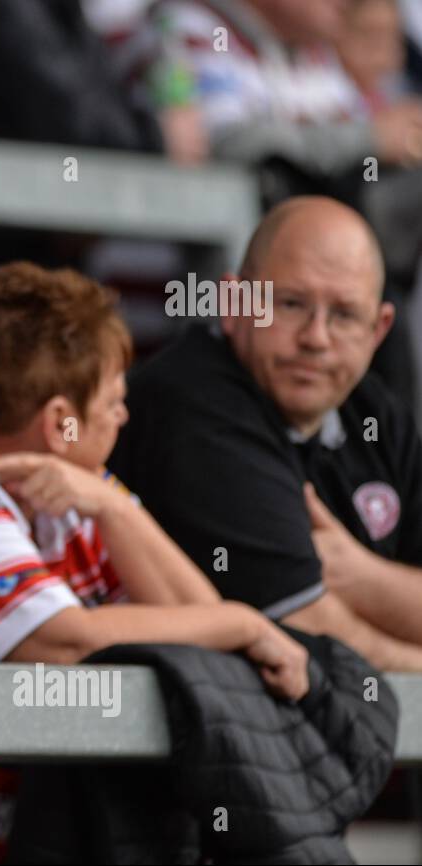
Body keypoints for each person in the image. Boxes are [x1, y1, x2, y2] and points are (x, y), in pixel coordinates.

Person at [0, 261, 309, 856]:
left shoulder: (78, 484)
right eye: (114, 400)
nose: (123, 416)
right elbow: (63, 646)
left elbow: (197, 619)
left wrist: (117, 510)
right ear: (58, 423)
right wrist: (249, 623)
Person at [111, 195, 422, 673]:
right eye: (291, 304)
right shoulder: (191, 401)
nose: (316, 338)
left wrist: (361, 576)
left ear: (378, 331)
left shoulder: (376, 413)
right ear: (233, 304)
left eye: (343, 315)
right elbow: (309, 629)